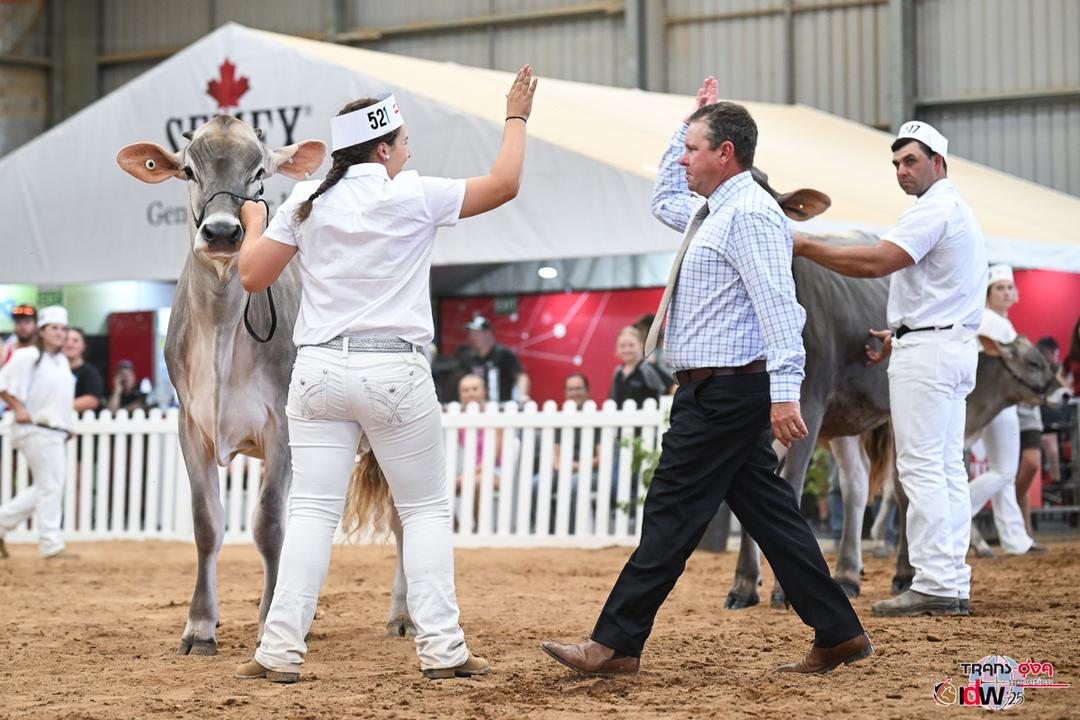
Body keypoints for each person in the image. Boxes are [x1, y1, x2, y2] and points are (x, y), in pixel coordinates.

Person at [541, 77, 869, 677]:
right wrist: (690, 120)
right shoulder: (711, 211)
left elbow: (780, 308)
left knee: (671, 509)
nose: (683, 158)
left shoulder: (751, 216)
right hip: (714, 387)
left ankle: (615, 643)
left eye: (694, 148)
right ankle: (839, 631)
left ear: (726, 154)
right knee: (770, 511)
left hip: (726, 390)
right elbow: (662, 194)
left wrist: (783, 393)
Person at [234, 65, 537, 682]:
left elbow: (251, 276)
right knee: (423, 509)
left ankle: (277, 651)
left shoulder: (305, 199)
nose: (407, 151)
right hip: (393, 368)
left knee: (312, 511)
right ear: (382, 146)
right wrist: (516, 115)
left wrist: (255, 224)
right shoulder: (413, 192)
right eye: (402, 141)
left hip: (318, 369)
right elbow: (505, 184)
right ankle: (444, 650)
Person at [793, 120, 987, 617]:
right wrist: (897, 333)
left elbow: (877, 262)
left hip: (930, 355)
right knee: (944, 468)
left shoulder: (933, 209)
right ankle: (949, 578)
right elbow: (935, 292)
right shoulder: (954, 209)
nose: (902, 171)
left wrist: (806, 244)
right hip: (942, 345)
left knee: (921, 468)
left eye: (912, 161)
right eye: (897, 164)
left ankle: (934, 583)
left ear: (937, 163)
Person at [967, 265, 1043, 557]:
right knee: (1004, 471)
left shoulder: (998, 322)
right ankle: (958, 514)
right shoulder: (989, 321)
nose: (1006, 292)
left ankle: (1014, 538)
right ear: (988, 294)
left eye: (1009, 287)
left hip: (994, 403)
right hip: (995, 403)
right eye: (999, 288)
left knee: (1005, 473)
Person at [0, 306, 76, 560]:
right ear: (41, 331)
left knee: (46, 486)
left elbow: (60, 399)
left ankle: (2, 524)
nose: (59, 333)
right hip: (34, 430)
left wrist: (67, 424)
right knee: (51, 486)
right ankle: (50, 543)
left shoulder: (61, 361)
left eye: (63, 328)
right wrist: (19, 407)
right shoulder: (27, 356)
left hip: (53, 431)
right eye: (54, 328)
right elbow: (2, 383)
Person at [456, 316, 529, 403]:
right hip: (476, 409)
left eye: (476, 333)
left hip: (502, 408)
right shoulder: (468, 357)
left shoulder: (503, 354)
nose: (472, 336)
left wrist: (522, 395)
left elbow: (521, 377)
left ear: (488, 333)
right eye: (470, 333)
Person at [608, 326, 671, 408]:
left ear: (641, 345)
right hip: (621, 420)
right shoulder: (617, 372)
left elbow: (671, 387)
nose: (627, 350)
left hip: (649, 419)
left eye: (631, 345)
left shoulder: (648, 369)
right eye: (622, 346)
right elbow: (613, 399)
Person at [64, 328, 105, 414]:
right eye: (66, 339)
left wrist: (58, 407)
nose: (70, 344)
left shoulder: (90, 372)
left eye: (75, 340)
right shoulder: (53, 371)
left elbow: (92, 400)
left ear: (83, 346)